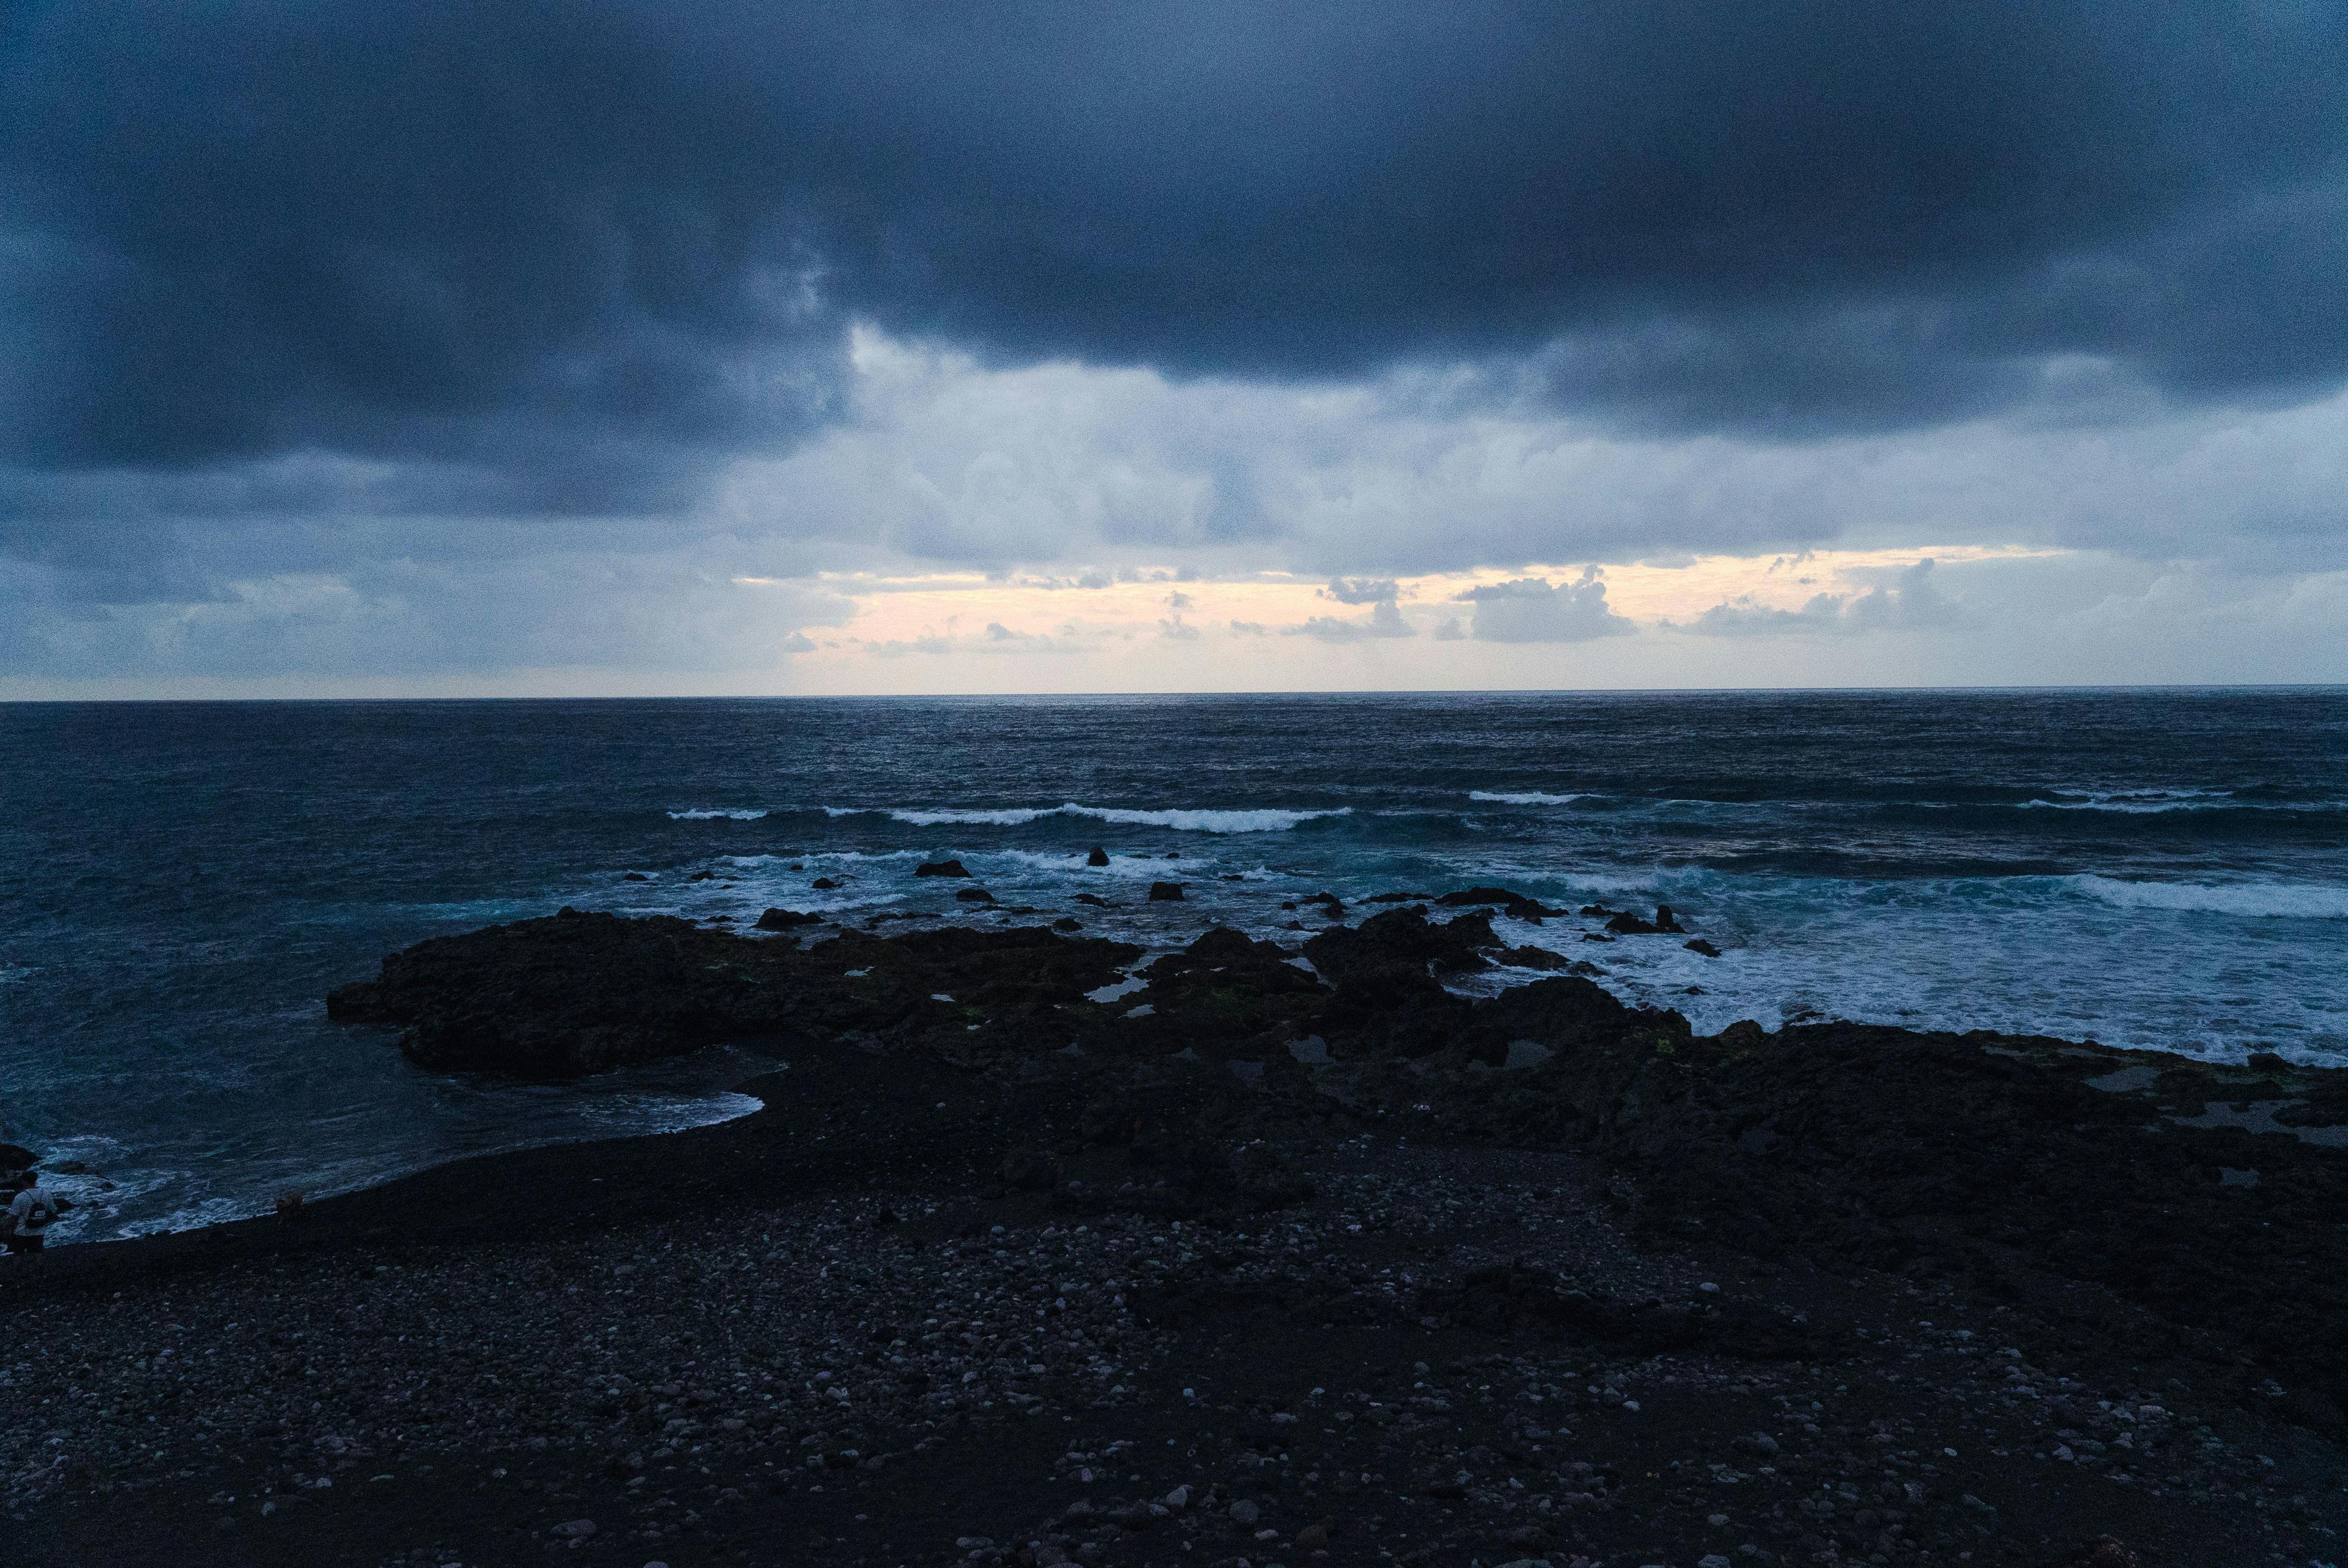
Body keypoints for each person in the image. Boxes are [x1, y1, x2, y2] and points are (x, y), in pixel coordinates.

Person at [6, 1174, 63, 1258]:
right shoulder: (46, 1194)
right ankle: (39, 1270)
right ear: (35, 1181)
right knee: (37, 1253)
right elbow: (53, 1209)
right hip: (39, 1230)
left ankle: (19, 1270)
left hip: (21, 1231)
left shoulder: (20, 1197)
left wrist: (11, 1231)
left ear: (24, 1182)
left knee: (18, 1255)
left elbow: (14, 1217)